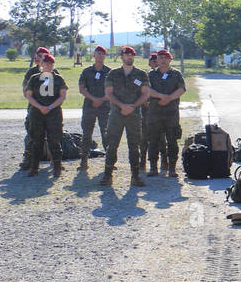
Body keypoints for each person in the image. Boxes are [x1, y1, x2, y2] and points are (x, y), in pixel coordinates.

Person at [101, 46, 151, 187]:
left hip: (134, 115)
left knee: (134, 146)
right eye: (126, 54)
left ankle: (135, 176)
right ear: (121, 56)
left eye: (131, 55)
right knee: (112, 145)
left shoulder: (141, 74)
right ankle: (107, 175)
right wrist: (122, 106)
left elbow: (146, 93)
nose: (129, 57)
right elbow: (108, 93)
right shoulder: (113, 73)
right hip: (117, 114)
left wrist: (133, 106)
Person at [23, 52, 68, 176]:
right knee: (37, 140)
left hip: (54, 114)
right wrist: (40, 107)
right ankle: (34, 167)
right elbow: (29, 95)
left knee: (55, 140)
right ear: (41, 64)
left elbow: (63, 95)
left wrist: (50, 107)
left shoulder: (58, 78)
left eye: (50, 63)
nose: (48, 65)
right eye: (46, 63)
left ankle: (57, 167)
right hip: (37, 113)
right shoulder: (35, 78)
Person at [146, 50, 185, 177]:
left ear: (170, 59)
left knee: (172, 140)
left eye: (166, 58)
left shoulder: (176, 74)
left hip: (171, 113)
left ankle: (172, 168)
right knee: (153, 140)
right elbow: (146, 90)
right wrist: (162, 96)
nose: (163, 60)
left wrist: (169, 98)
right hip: (155, 112)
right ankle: (153, 167)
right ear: (156, 60)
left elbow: (181, 89)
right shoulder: (151, 75)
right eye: (160, 57)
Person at [77, 45, 111, 172]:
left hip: (105, 107)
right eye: (98, 53)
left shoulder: (110, 72)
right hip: (89, 106)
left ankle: (109, 161)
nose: (100, 56)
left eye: (103, 54)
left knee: (106, 133)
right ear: (94, 55)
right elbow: (82, 89)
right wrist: (93, 99)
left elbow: (113, 90)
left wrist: (101, 100)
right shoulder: (86, 71)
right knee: (86, 134)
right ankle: (84, 161)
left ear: (105, 56)